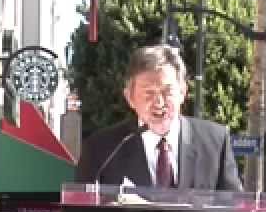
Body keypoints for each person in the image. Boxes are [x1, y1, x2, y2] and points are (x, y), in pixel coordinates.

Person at [73, 44, 242, 191]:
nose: (159, 102)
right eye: (149, 93)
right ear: (130, 98)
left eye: (167, 91)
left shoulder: (215, 142)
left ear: (183, 92)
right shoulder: (102, 150)